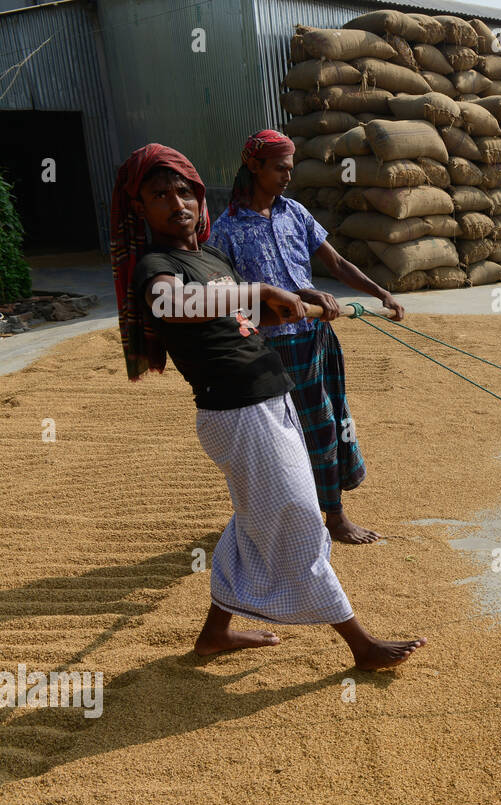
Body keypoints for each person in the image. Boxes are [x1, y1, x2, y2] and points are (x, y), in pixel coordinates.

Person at [111, 143, 425, 669]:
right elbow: (171, 305)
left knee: (254, 519)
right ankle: (361, 644)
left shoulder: (208, 256)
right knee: (302, 517)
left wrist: (288, 310)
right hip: (237, 413)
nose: (177, 203)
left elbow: (240, 322)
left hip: (268, 400)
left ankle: (214, 633)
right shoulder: (157, 266)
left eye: (185, 191)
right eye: (159, 195)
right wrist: (256, 290)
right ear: (139, 209)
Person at [209, 130, 407, 546]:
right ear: (255, 166)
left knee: (329, 422)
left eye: (291, 168)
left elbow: (334, 262)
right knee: (290, 435)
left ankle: (330, 514)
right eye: (280, 168)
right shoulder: (226, 230)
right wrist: (296, 296)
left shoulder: (294, 213)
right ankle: (309, 520)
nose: (287, 176)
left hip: (317, 336)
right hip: (272, 346)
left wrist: (380, 292)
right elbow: (229, 300)